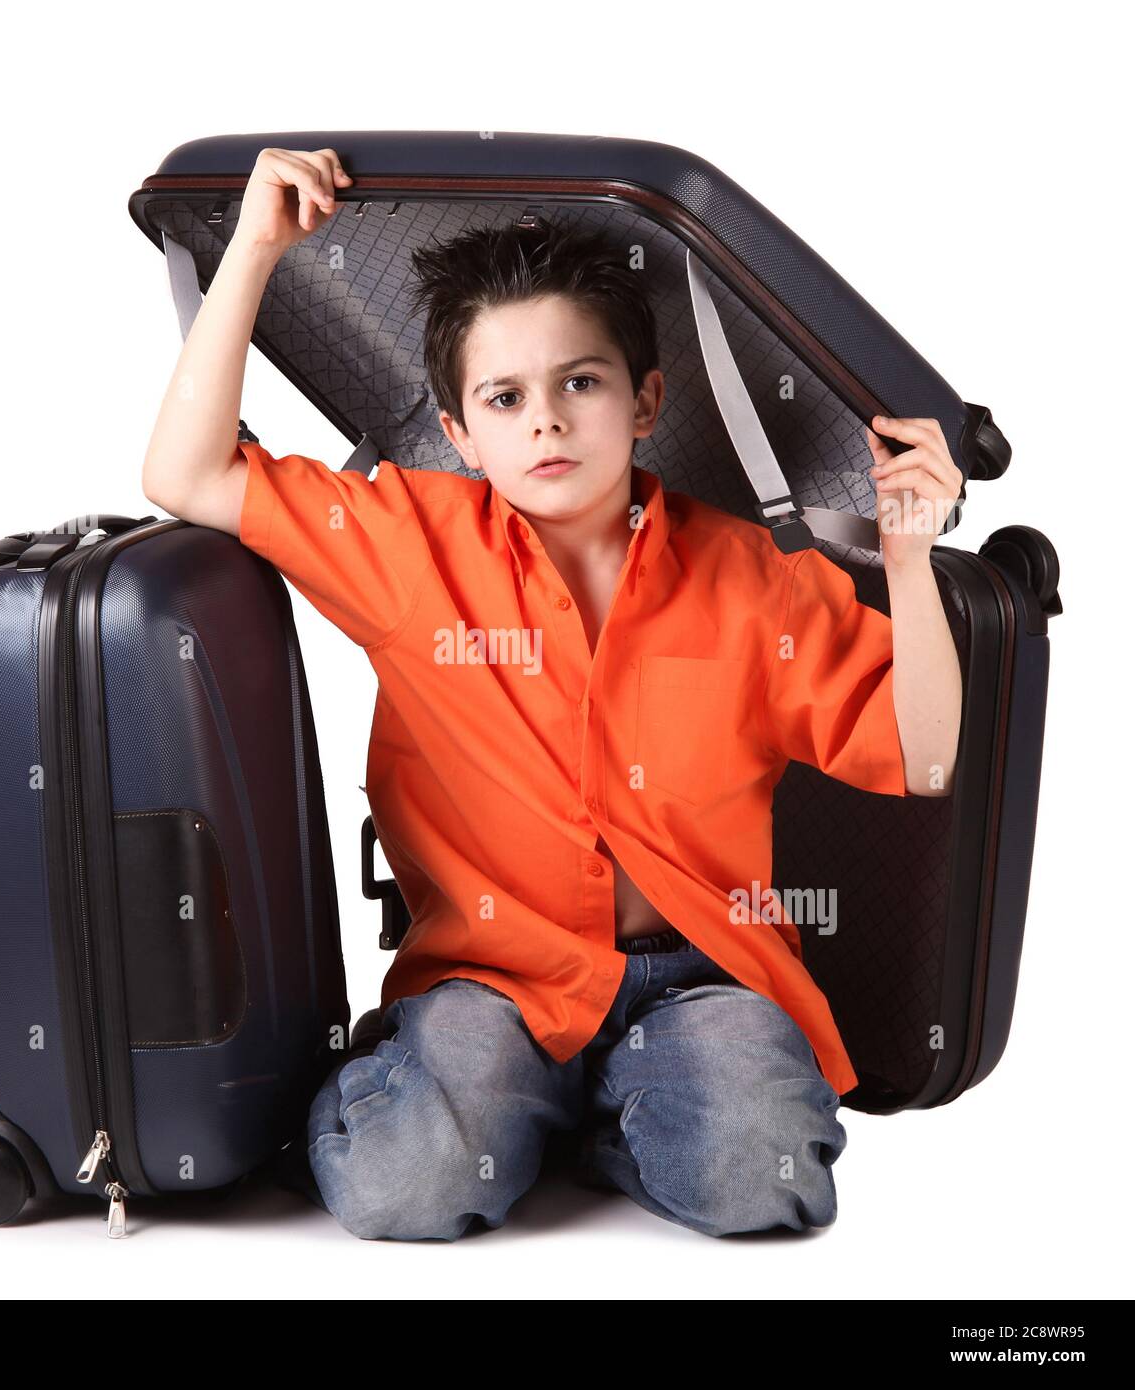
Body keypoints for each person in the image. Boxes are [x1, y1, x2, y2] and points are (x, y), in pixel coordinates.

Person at [142, 146, 964, 1241]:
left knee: (765, 1179)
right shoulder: (409, 540)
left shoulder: (748, 576)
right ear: (458, 432)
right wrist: (253, 247)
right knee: (405, 1186)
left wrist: (908, 570)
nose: (545, 420)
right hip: (495, 977)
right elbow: (187, 474)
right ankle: (489, 1100)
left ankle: (604, 1114)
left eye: (580, 382)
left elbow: (927, 758)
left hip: (699, 977)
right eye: (505, 396)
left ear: (642, 400)